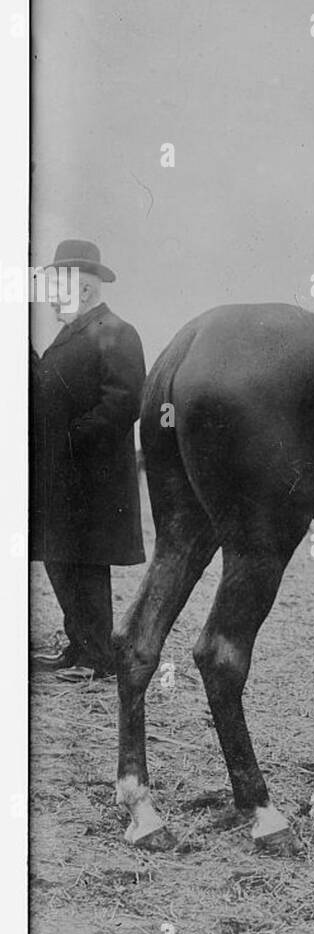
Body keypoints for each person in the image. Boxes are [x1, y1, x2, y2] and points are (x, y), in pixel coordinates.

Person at [31, 240, 146, 678]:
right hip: (62, 475)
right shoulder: (70, 334)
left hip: (93, 477)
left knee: (85, 563)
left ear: (84, 290)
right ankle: (78, 648)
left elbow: (123, 402)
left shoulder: (117, 332)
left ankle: (96, 656)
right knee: (61, 557)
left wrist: (70, 440)